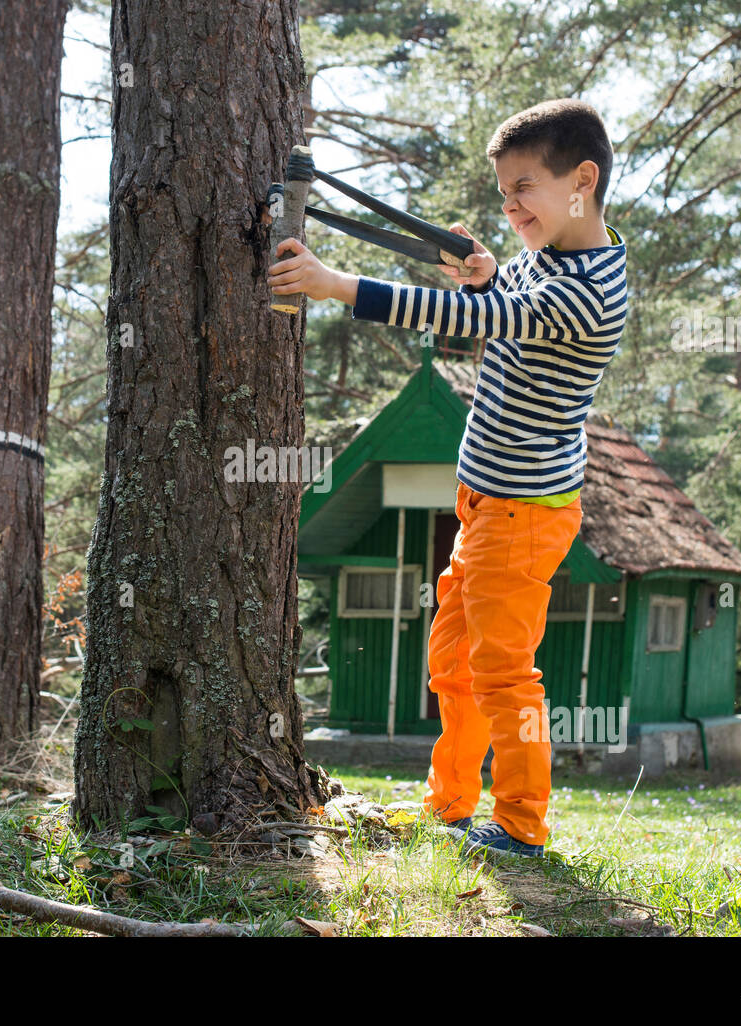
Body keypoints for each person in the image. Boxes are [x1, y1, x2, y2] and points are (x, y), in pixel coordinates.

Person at [267, 98, 628, 858]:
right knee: (452, 664)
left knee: (504, 672)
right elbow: (508, 308)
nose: (510, 206)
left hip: (525, 514)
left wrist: (337, 285)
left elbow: (483, 321)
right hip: (485, 505)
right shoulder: (555, 257)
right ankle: (451, 805)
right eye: (504, 192)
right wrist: (487, 275)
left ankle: (523, 824)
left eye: (523, 188)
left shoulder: (588, 289)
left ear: (581, 180)